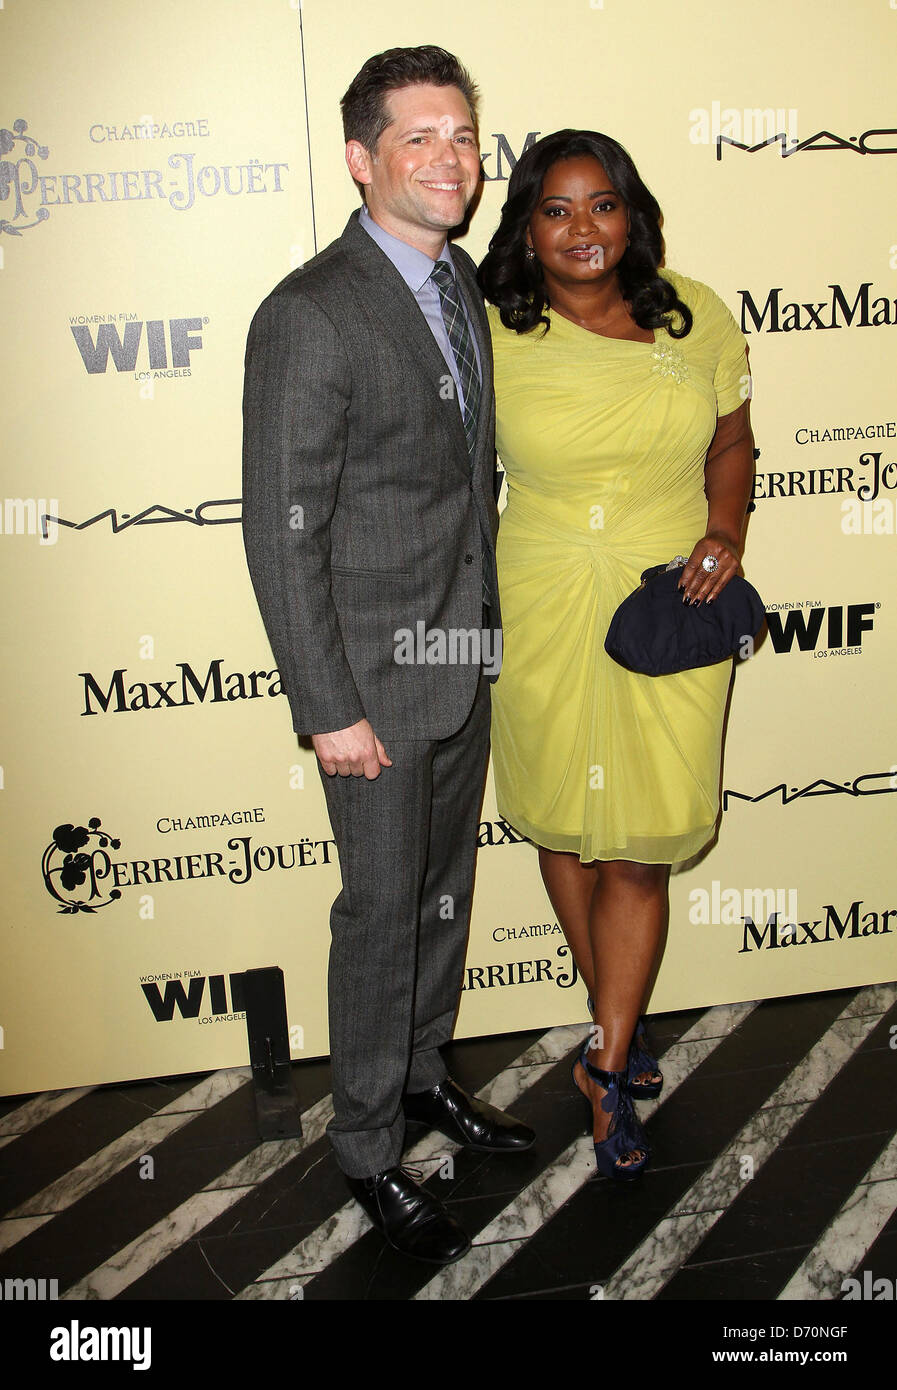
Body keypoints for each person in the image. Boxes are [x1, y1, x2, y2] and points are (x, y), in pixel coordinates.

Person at [241, 46, 534, 1266]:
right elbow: (281, 526)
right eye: (418, 138)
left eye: (461, 135)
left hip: (456, 656)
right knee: (378, 917)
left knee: (440, 900)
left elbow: (459, 490)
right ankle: (365, 1147)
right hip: (369, 689)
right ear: (361, 160)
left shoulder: (455, 281)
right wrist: (329, 707)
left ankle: (420, 1081)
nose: (449, 158)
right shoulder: (310, 312)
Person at [478, 129, 754, 1180]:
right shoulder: (496, 328)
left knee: (639, 842)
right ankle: (615, 1045)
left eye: (602, 205)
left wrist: (725, 530)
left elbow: (732, 441)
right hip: (546, 591)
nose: (582, 229)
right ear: (527, 224)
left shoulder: (693, 313)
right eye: (556, 209)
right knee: (566, 818)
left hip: (671, 599)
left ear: (632, 213)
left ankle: (607, 1044)